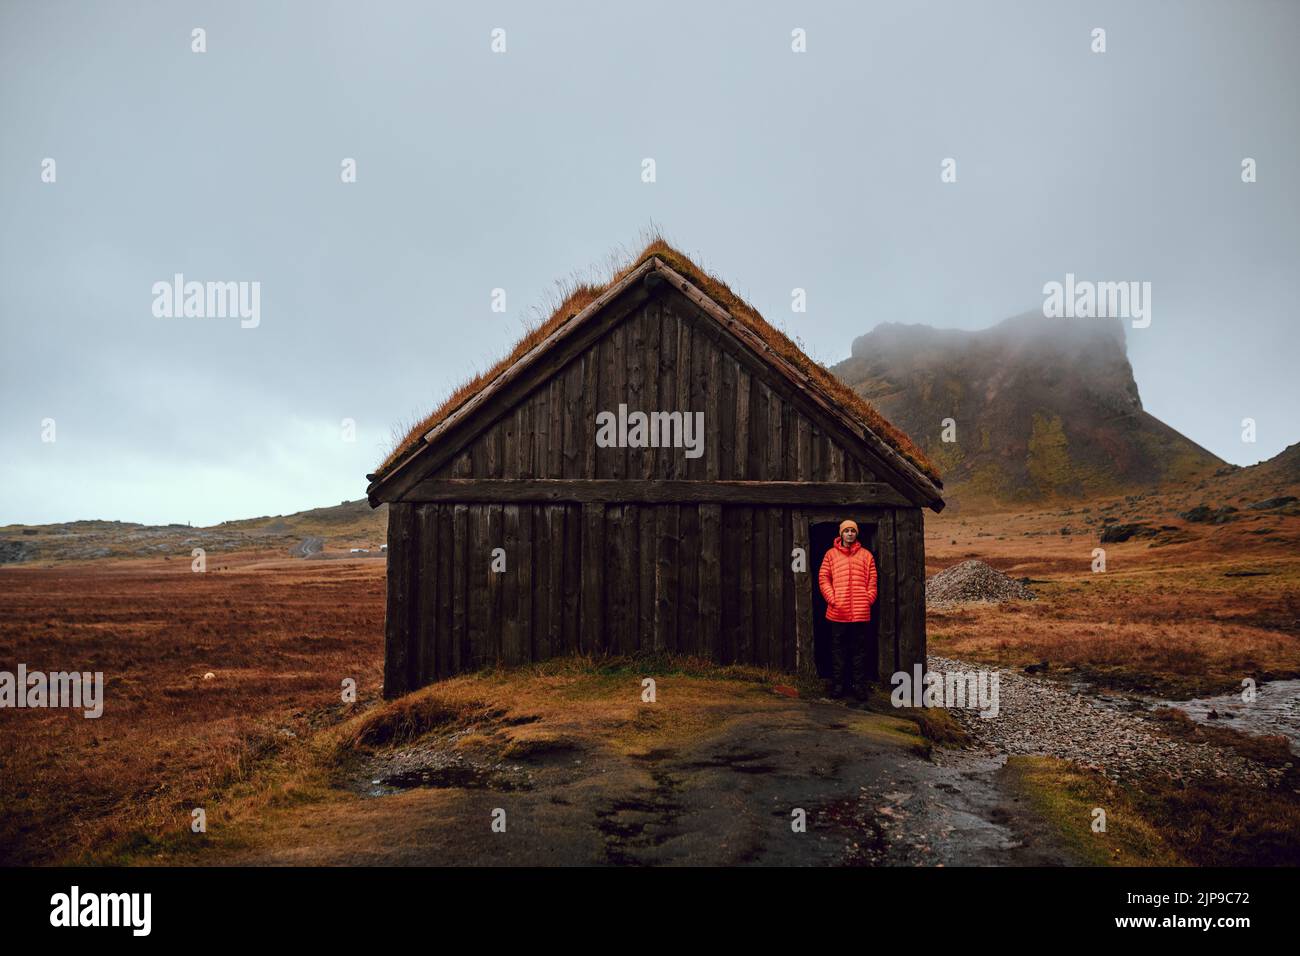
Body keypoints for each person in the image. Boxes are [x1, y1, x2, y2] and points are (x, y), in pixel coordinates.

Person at [817, 519, 878, 699]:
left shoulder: (866, 556)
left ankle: (858, 687)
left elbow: (872, 581)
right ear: (841, 534)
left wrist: (868, 599)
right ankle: (838, 687)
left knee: (859, 651)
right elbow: (823, 578)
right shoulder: (830, 555)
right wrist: (832, 599)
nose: (850, 533)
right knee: (838, 651)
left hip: (860, 613)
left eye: (853, 530)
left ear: (856, 533)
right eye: (846, 531)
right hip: (837, 612)